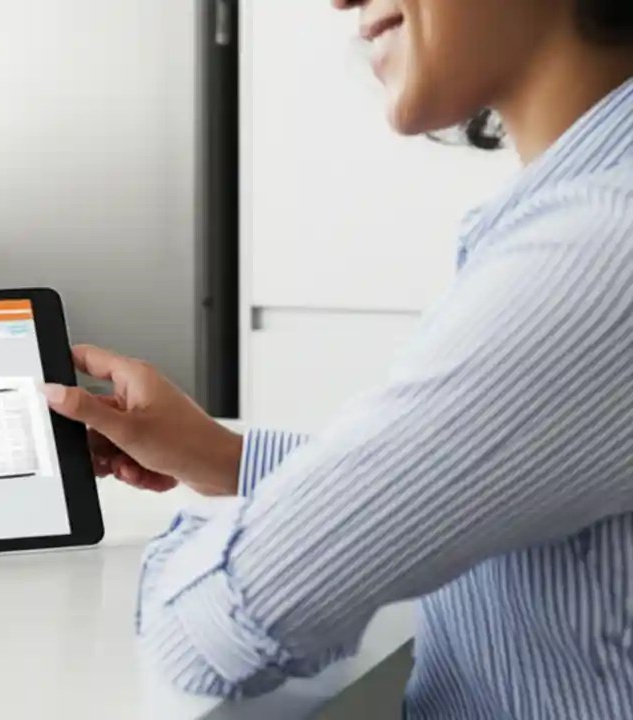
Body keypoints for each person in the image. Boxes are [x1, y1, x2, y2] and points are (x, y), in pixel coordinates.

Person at [42, 0, 633, 717]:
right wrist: (223, 456)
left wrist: (251, 530)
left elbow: (206, 631)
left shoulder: (597, 252)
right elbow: (506, 488)